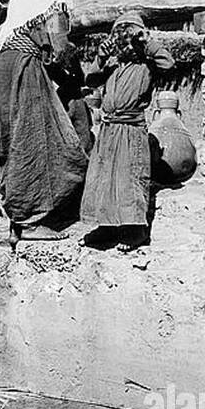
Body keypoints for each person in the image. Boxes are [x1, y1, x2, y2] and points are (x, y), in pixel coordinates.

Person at [0, 0, 92, 241]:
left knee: (12, 139)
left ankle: (18, 218)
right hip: (23, 67)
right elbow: (58, 48)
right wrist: (76, 74)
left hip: (2, 68)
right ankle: (33, 221)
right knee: (37, 139)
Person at [80, 14, 175, 250]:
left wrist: (146, 42)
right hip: (109, 130)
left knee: (130, 178)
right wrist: (101, 57)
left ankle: (136, 230)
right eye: (120, 38)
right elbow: (91, 80)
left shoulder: (147, 64)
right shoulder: (112, 65)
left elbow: (169, 64)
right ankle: (106, 227)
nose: (124, 44)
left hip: (131, 130)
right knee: (103, 179)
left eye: (129, 38)